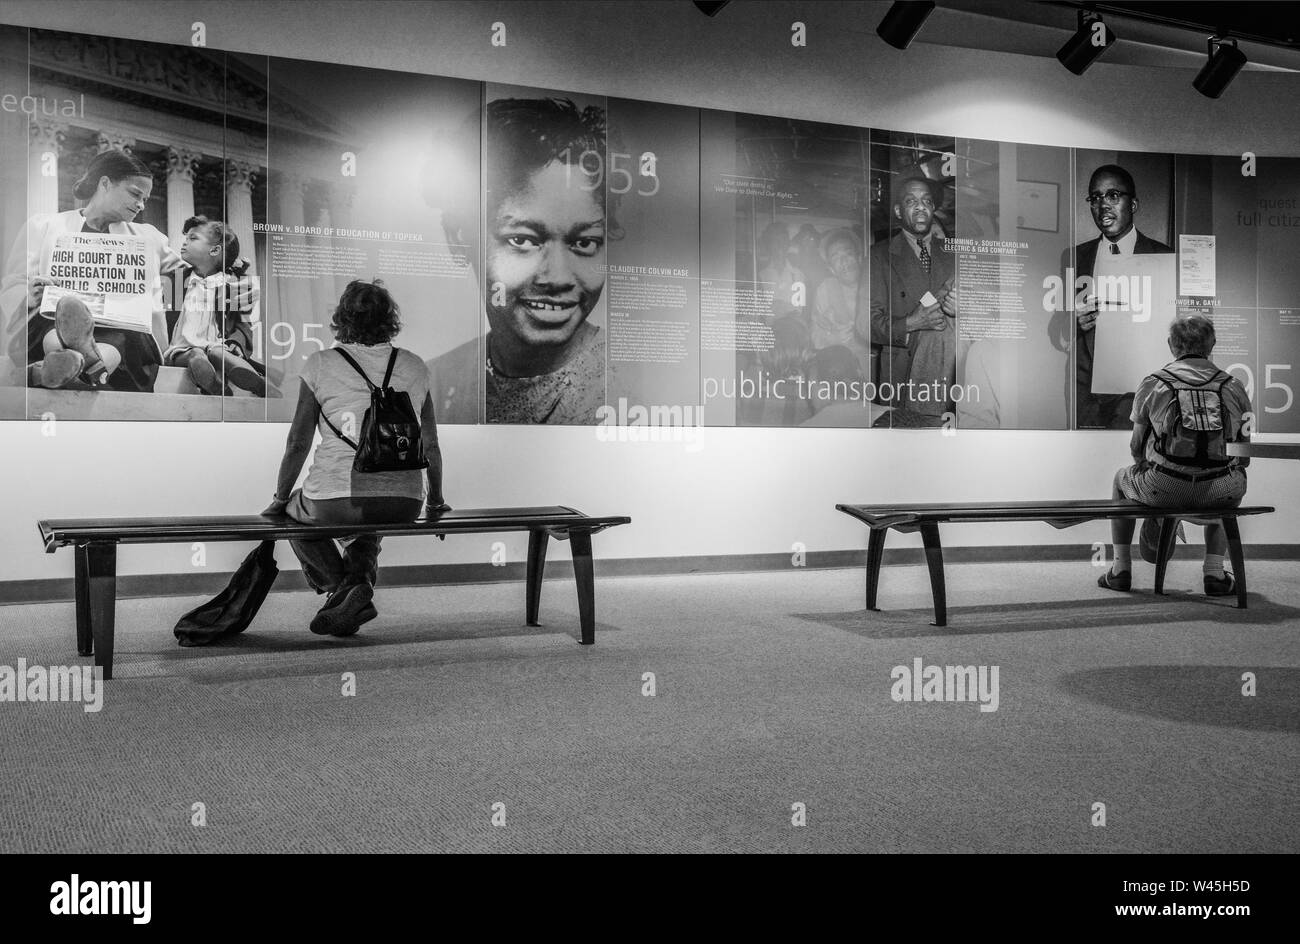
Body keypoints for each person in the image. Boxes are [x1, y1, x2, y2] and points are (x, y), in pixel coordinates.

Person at [263, 280, 447, 637]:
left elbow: (298, 443)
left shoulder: (320, 364)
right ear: (389, 319)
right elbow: (431, 444)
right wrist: (436, 501)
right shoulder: (415, 366)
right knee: (369, 514)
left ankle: (341, 587)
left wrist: (281, 499)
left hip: (335, 499)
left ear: (342, 318)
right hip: (404, 502)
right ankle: (359, 583)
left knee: (292, 515)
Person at [429, 97, 609, 425]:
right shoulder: (433, 383)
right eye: (523, 240)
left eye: (584, 242)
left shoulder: (638, 388)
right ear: (458, 236)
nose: (558, 277)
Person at [0, 148, 182, 392]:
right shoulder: (43, 226)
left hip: (121, 330)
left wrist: (227, 264)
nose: (140, 205)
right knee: (52, 320)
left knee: (124, 333)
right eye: (135, 194)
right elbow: (13, 284)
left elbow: (190, 274)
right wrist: (28, 292)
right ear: (105, 183)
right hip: (51, 322)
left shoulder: (149, 238)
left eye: (145, 200)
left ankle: (59, 367)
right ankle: (87, 366)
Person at [1096, 315, 1249, 596]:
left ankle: (1120, 569)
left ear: (1171, 345)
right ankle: (1214, 573)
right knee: (1233, 476)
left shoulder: (1154, 383)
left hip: (1164, 488)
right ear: (1212, 344)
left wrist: (1148, 467)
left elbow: (1135, 447)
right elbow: (1244, 453)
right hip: (1220, 491)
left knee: (1121, 479)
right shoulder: (1234, 386)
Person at [1055, 164, 1173, 429]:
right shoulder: (1074, 257)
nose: (1103, 205)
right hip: (1085, 394)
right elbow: (1055, 330)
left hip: (1140, 391)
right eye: (1095, 198)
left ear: (1133, 204)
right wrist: (1073, 321)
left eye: (1113, 195)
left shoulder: (1164, 257)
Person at [859, 176, 958, 425]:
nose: (920, 207)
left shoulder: (953, 254)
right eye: (911, 201)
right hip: (901, 372)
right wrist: (912, 323)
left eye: (926, 201)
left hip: (951, 373)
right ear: (898, 211)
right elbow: (865, 323)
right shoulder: (878, 256)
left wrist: (961, 311)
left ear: (933, 208)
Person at [163, 215, 276, 397]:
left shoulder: (233, 284)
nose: (184, 243)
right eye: (186, 238)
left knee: (218, 353)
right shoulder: (173, 281)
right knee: (195, 355)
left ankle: (259, 383)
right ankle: (216, 386)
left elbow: (243, 326)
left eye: (193, 238)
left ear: (215, 250)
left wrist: (236, 343)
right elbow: (160, 318)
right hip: (180, 349)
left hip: (217, 344)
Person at [810, 228, 872, 380]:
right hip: (840, 374)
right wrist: (834, 338)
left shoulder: (877, 283)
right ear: (831, 268)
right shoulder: (825, 290)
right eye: (836, 257)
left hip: (875, 371)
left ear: (858, 258)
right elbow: (815, 336)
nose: (844, 262)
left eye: (848, 254)